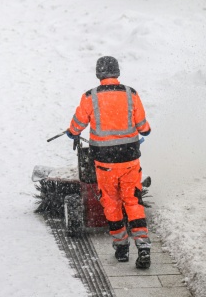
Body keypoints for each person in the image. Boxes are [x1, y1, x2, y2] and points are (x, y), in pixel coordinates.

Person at [65, 56, 153, 269]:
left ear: (98, 74)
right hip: (130, 160)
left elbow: (77, 125)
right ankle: (142, 245)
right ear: (117, 73)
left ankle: (121, 247)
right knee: (133, 201)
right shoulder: (131, 94)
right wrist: (142, 129)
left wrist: (72, 132)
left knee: (111, 202)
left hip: (105, 162)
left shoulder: (90, 97)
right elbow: (143, 127)